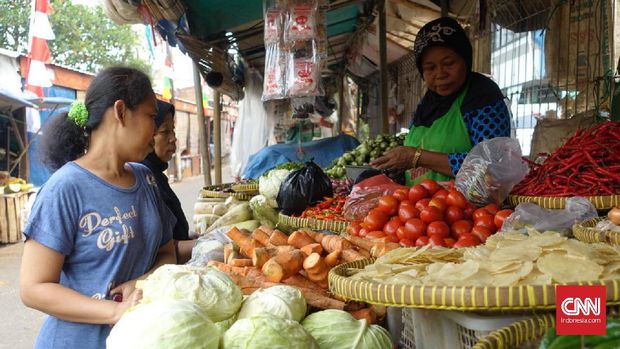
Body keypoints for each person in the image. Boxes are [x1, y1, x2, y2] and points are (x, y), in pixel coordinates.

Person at [20, 67, 177, 349]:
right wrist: (115, 311)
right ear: (120, 111)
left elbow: (168, 252)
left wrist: (142, 282)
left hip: (139, 339)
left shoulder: (146, 179)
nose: (155, 130)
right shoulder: (65, 188)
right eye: (151, 116)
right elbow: (34, 288)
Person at [371, 17, 511, 185]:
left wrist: (416, 157)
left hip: (466, 209)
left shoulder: (481, 96)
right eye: (430, 68)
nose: (440, 74)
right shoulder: (427, 103)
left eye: (449, 63)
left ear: (465, 60)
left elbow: (491, 166)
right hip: (417, 208)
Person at [141, 100, 194, 263]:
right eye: (165, 131)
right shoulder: (144, 178)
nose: (173, 139)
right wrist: (206, 244)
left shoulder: (155, 175)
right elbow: (162, 249)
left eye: (173, 131)